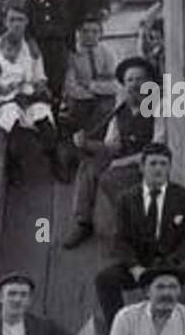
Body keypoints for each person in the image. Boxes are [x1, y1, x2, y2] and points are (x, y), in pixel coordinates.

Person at [95, 142, 185, 328]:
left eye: (163, 164)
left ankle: (180, 325)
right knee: (105, 278)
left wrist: (173, 262)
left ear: (169, 167)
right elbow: (120, 240)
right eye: (153, 164)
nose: (158, 169)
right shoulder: (126, 199)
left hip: (173, 263)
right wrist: (135, 267)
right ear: (142, 167)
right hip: (141, 265)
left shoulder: (183, 197)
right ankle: (119, 330)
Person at [62, 55, 165, 249]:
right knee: (88, 166)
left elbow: (158, 147)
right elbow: (112, 145)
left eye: (139, 79)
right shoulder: (121, 110)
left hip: (148, 165)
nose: (134, 85)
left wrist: (123, 162)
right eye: (129, 80)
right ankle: (84, 222)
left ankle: (133, 232)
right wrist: (86, 144)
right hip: (123, 159)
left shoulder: (160, 107)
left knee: (110, 178)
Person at [0, 2, 64, 183]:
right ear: (6, 22)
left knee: (43, 116)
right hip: (2, 100)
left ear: (26, 22)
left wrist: (41, 89)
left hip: (26, 96)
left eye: (20, 20)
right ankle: (14, 165)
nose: (16, 24)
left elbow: (40, 77)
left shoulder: (32, 49)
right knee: (11, 118)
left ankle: (54, 160)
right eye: (12, 20)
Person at [61, 15, 117, 137]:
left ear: (101, 33)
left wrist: (90, 86)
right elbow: (71, 87)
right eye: (85, 31)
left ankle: (92, 142)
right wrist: (94, 92)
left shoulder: (107, 53)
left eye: (94, 31)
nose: (90, 35)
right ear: (78, 33)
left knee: (106, 107)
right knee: (80, 108)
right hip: (79, 100)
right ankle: (81, 142)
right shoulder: (71, 54)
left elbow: (114, 85)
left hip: (101, 98)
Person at [23, 0, 72, 109]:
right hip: (40, 47)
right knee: (40, 83)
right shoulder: (31, 2)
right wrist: (31, 42)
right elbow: (26, 27)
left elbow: (68, 25)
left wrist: (69, 49)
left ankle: (55, 117)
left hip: (58, 48)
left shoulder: (60, 1)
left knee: (57, 84)